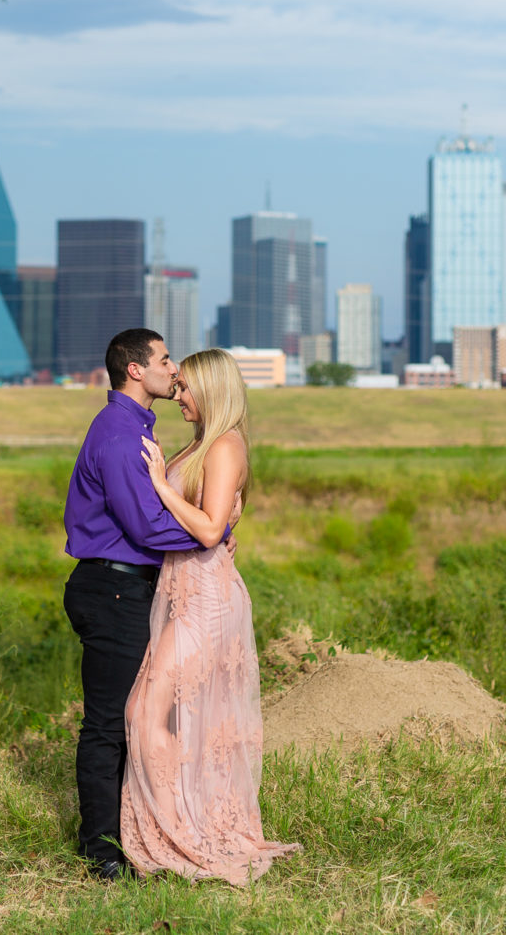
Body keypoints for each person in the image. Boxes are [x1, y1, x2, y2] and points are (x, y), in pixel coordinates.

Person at [121, 348, 299, 885]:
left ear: (212, 390)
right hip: (185, 592)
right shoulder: (203, 445)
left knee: (144, 710)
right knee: (184, 720)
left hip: (205, 601)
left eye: (186, 388)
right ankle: (187, 821)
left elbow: (207, 529)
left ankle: (182, 832)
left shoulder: (223, 446)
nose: (178, 395)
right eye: (177, 388)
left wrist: (157, 485)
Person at [61, 328, 227, 881]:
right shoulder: (118, 434)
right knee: (110, 722)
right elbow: (144, 524)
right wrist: (212, 533)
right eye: (163, 359)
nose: (173, 368)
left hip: (127, 585)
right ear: (136, 370)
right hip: (113, 588)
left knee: (140, 717)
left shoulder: (137, 428)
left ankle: (138, 833)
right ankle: (102, 853)